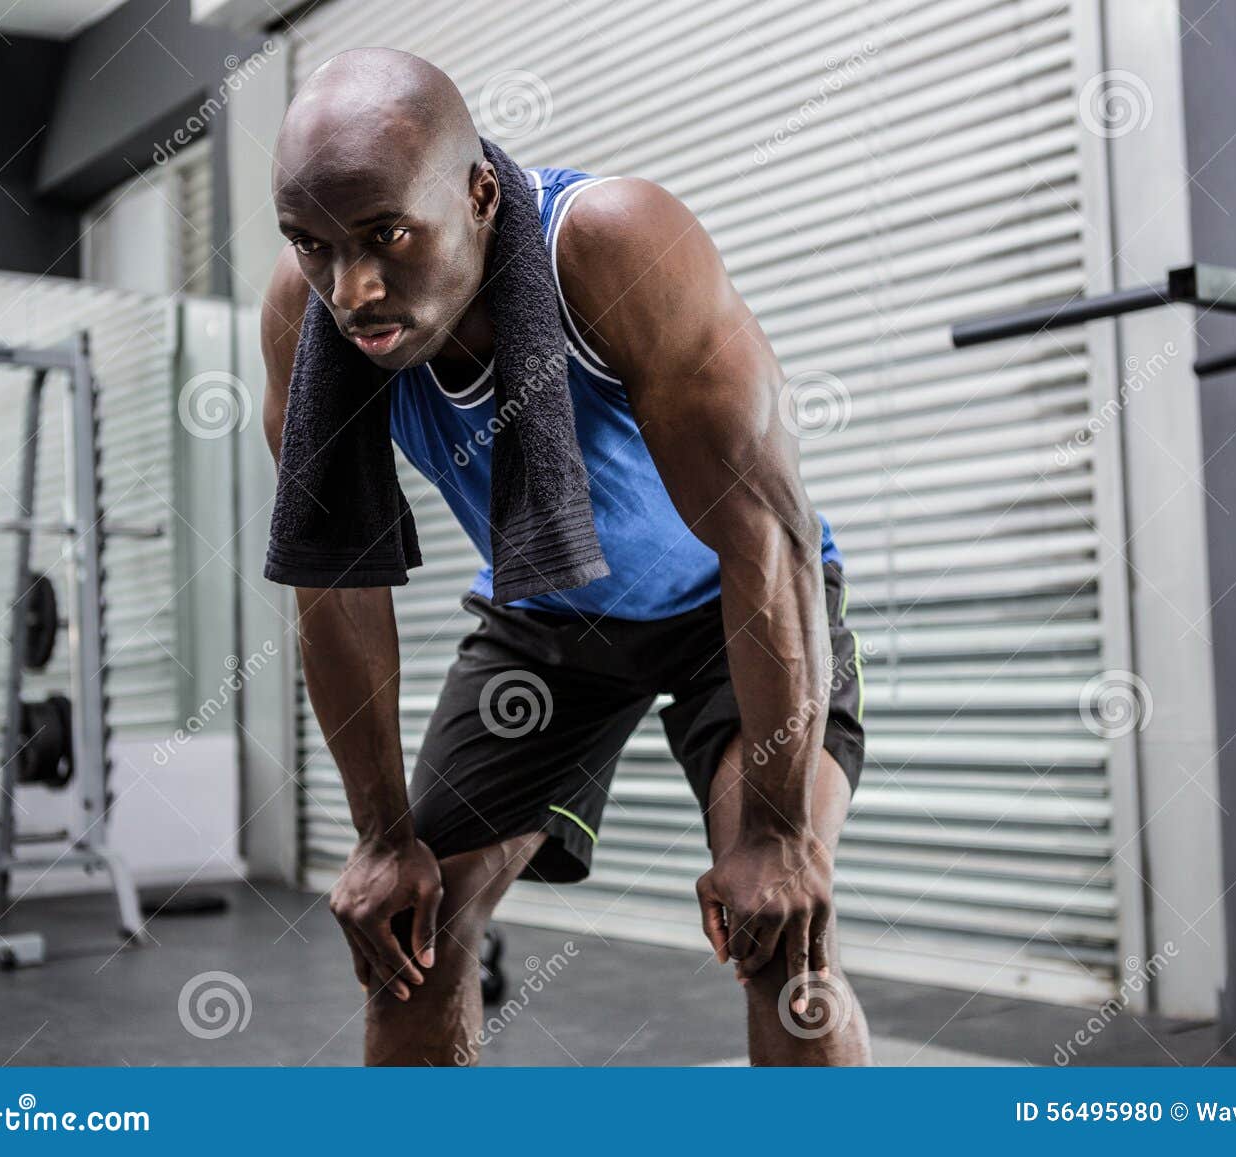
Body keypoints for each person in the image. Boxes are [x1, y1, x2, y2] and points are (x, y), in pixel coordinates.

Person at [261, 47, 870, 1065]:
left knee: (782, 937)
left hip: (736, 604)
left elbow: (767, 533)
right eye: (312, 245)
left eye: (387, 235)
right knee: (411, 931)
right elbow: (334, 576)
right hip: (547, 619)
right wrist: (379, 836)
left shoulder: (615, 244)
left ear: (480, 192)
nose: (352, 286)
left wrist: (775, 832)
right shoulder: (308, 315)